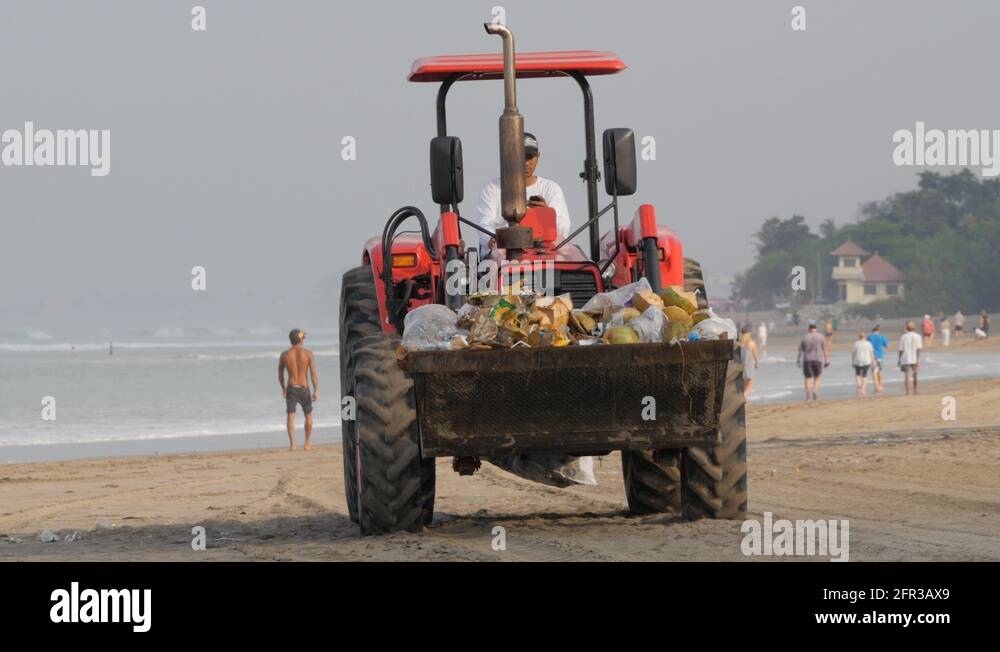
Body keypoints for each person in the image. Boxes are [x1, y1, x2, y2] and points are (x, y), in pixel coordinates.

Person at [477, 132, 571, 259]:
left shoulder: (551, 189)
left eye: (530, 157)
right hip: (502, 257)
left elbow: (564, 231)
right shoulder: (493, 188)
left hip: (544, 257)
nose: (526, 163)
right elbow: (485, 224)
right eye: (521, 157)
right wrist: (493, 238)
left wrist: (547, 215)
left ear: (538, 157)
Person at [278, 329, 318, 450]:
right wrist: (316, 390)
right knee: (308, 415)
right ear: (300, 339)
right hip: (304, 388)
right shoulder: (308, 353)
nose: (304, 340)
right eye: (303, 338)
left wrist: (283, 388)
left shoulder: (284, 354)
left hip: (291, 388)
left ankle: (293, 444)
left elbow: (280, 375)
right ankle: (307, 443)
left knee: (291, 416)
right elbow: (313, 374)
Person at [796, 323, 829, 401]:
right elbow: (825, 349)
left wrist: (798, 360)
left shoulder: (805, 337)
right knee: (818, 377)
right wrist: (827, 360)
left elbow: (800, 350)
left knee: (808, 378)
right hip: (818, 360)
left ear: (809, 329)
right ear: (816, 329)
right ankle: (815, 390)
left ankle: (808, 396)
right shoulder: (821, 336)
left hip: (807, 360)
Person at [898, 321, 922, 395]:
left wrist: (899, 359)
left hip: (905, 358)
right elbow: (918, 349)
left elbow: (901, 350)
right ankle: (915, 390)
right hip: (915, 357)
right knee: (915, 374)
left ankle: (907, 391)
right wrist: (917, 359)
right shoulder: (918, 336)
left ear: (907, 328)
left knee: (906, 375)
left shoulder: (903, 336)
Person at [867, 324, 889, 394]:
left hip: (872, 357)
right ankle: (880, 385)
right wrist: (883, 348)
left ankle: (876, 386)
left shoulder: (869, 337)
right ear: (879, 330)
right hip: (880, 356)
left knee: (874, 372)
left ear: (872, 330)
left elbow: (867, 346)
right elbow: (887, 346)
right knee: (880, 371)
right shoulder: (882, 337)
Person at [739, 326, 760, 399]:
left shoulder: (739, 343)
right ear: (749, 333)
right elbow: (755, 354)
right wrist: (757, 363)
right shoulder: (751, 343)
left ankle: (743, 397)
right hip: (749, 364)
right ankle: (744, 396)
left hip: (740, 364)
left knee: (744, 383)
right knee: (750, 383)